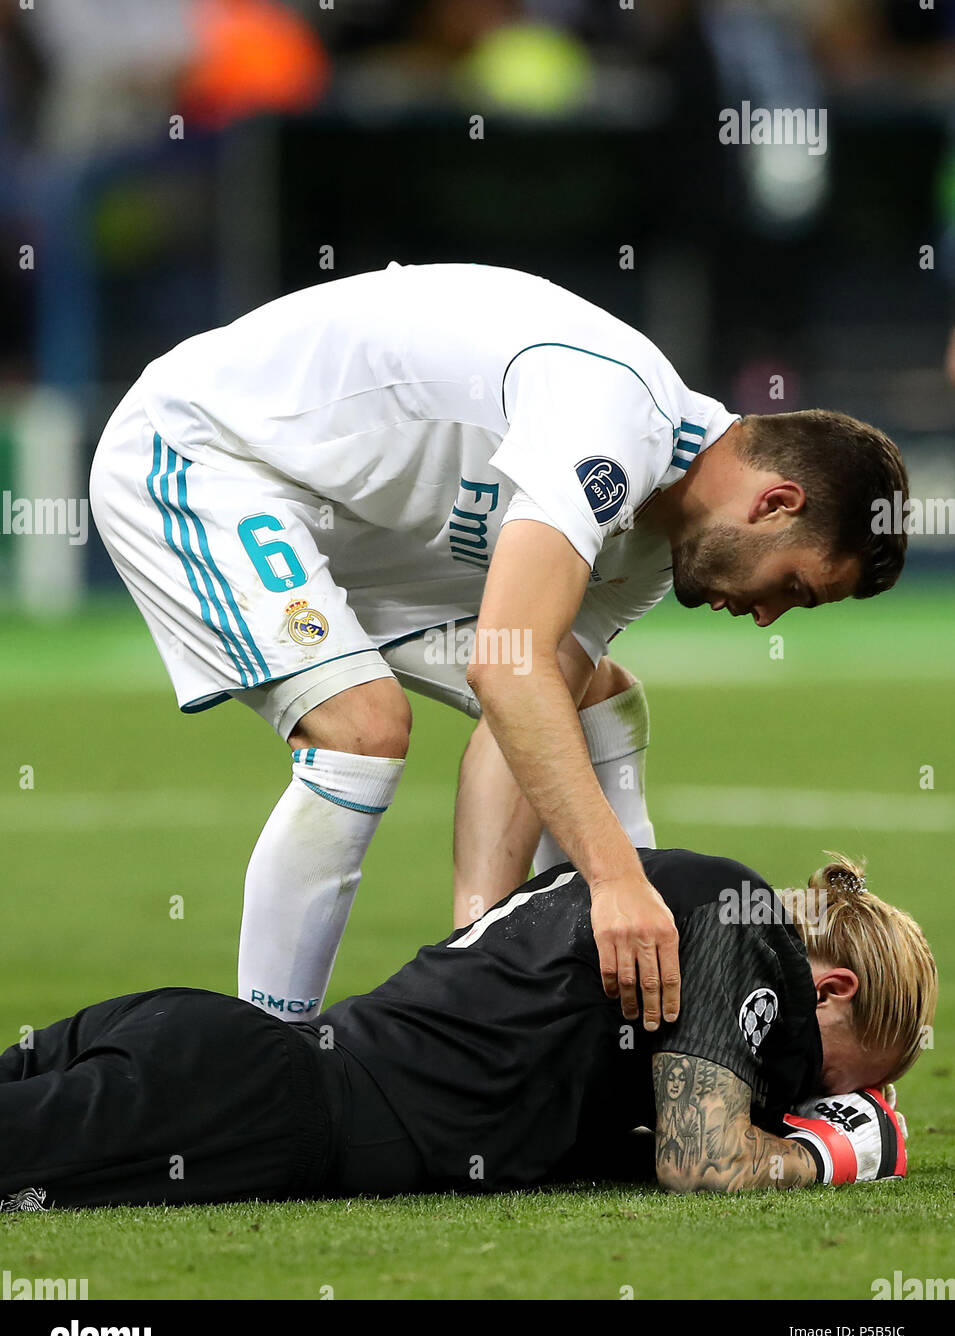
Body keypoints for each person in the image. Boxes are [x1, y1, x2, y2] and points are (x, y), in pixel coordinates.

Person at [88, 262, 909, 1030]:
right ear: (774, 503)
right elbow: (504, 669)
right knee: (360, 730)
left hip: (351, 528)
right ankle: (265, 1057)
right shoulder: (612, 422)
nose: (769, 617)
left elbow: (519, 712)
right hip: (203, 454)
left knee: (591, 697)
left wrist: (477, 957)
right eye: (795, 588)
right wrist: (614, 879)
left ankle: (592, 1009)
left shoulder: (652, 546)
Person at [0, 848, 935, 1211]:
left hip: (198, 1047)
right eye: (838, 1082)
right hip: (253, 1109)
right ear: (828, 989)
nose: (809, 1100)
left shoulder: (645, 903)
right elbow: (703, 1163)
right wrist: (835, 1151)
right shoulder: (745, 926)